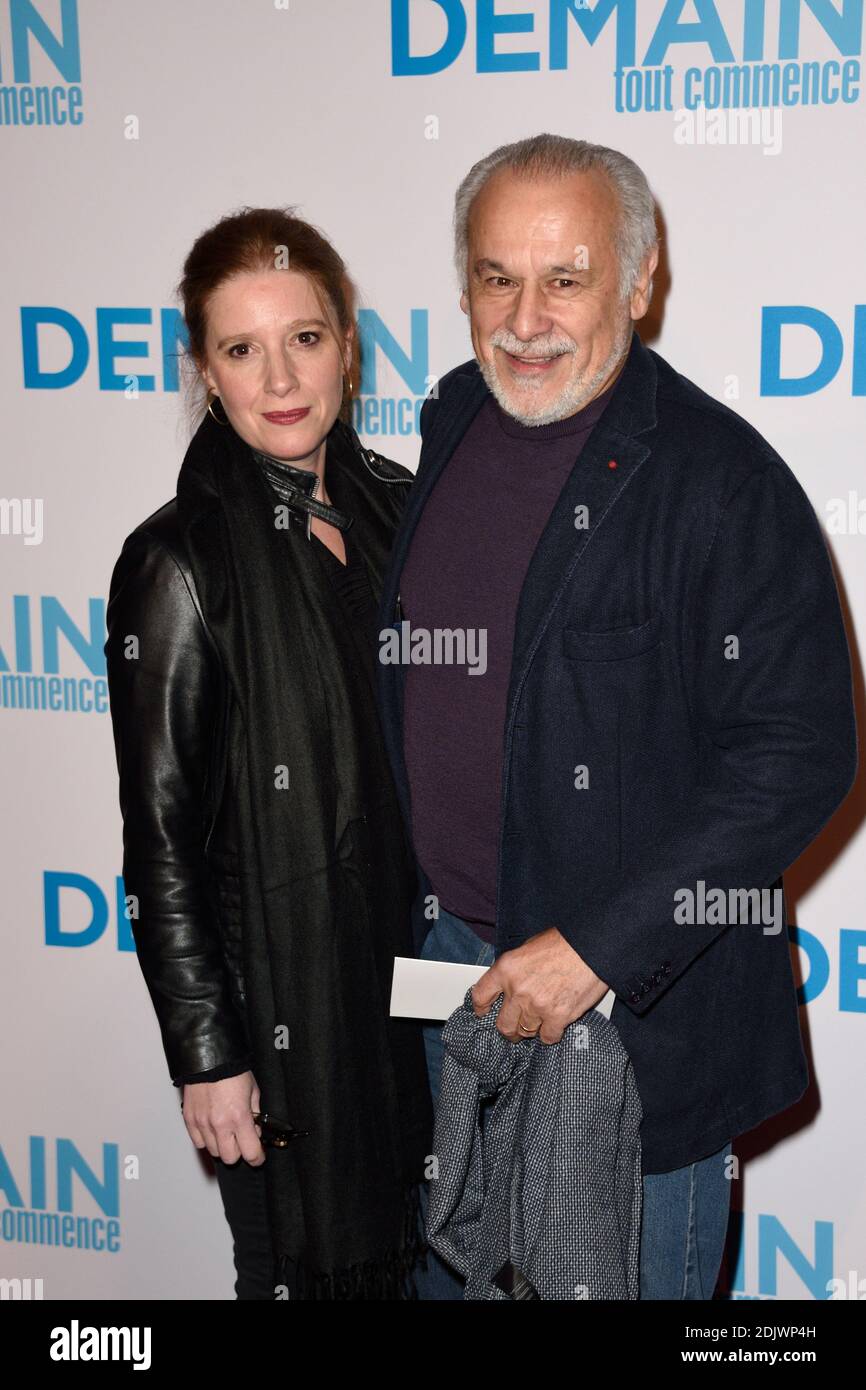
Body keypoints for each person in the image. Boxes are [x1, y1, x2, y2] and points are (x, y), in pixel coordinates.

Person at [374, 135, 858, 1300]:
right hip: (451, 988)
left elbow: (799, 749)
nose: (524, 316)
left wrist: (596, 949)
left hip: (631, 1023)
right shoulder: (448, 426)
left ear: (637, 284)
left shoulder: (720, 482)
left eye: (565, 277)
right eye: (496, 277)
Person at [105, 207, 433, 1300]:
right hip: (281, 1023)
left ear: (348, 342)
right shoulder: (177, 562)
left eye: (304, 337)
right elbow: (159, 843)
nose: (280, 376)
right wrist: (208, 1051)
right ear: (204, 368)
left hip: (424, 1002)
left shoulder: (405, 510)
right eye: (241, 349)